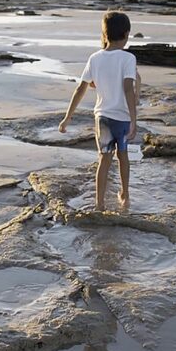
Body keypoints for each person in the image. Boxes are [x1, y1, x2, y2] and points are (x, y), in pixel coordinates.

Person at [59, 11, 138, 212]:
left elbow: (81, 88)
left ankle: (99, 203)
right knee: (123, 156)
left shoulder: (95, 57)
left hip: (102, 116)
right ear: (127, 33)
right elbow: (129, 87)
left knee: (104, 159)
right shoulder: (128, 58)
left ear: (104, 34)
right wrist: (134, 120)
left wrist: (68, 117)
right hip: (122, 117)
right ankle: (125, 195)